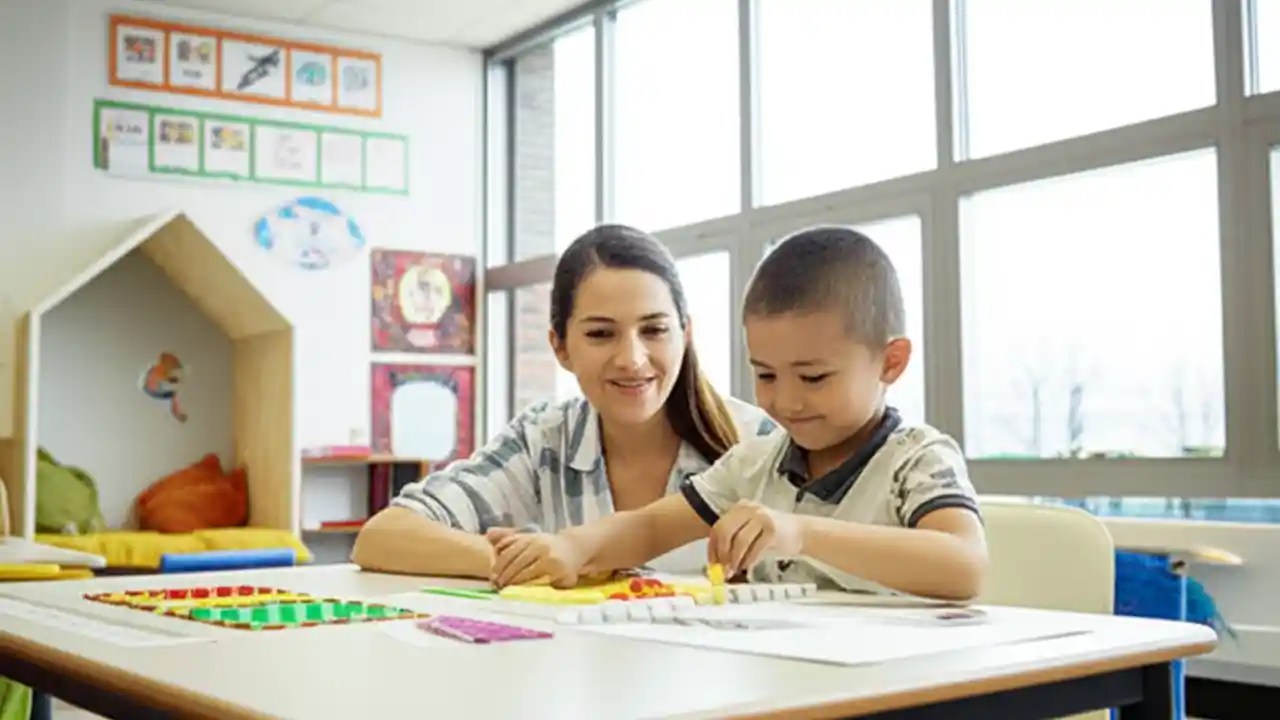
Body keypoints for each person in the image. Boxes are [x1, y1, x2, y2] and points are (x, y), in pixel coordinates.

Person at [488, 226, 988, 601]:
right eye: (766, 375)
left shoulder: (918, 458)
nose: (787, 401)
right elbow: (648, 529)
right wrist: (573, 548)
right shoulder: (755, 464)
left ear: (891, 362)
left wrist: (801, 532)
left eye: (813, 378)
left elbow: (964, 565)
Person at [351, 224, 777, 578]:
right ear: (560, 347)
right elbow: (382, 536)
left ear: (685, 334)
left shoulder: (757, 442)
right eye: (600, 334)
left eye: (654, 330)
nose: (632, 359)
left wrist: (573, 557)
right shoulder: (545, 441)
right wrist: (535, 561)